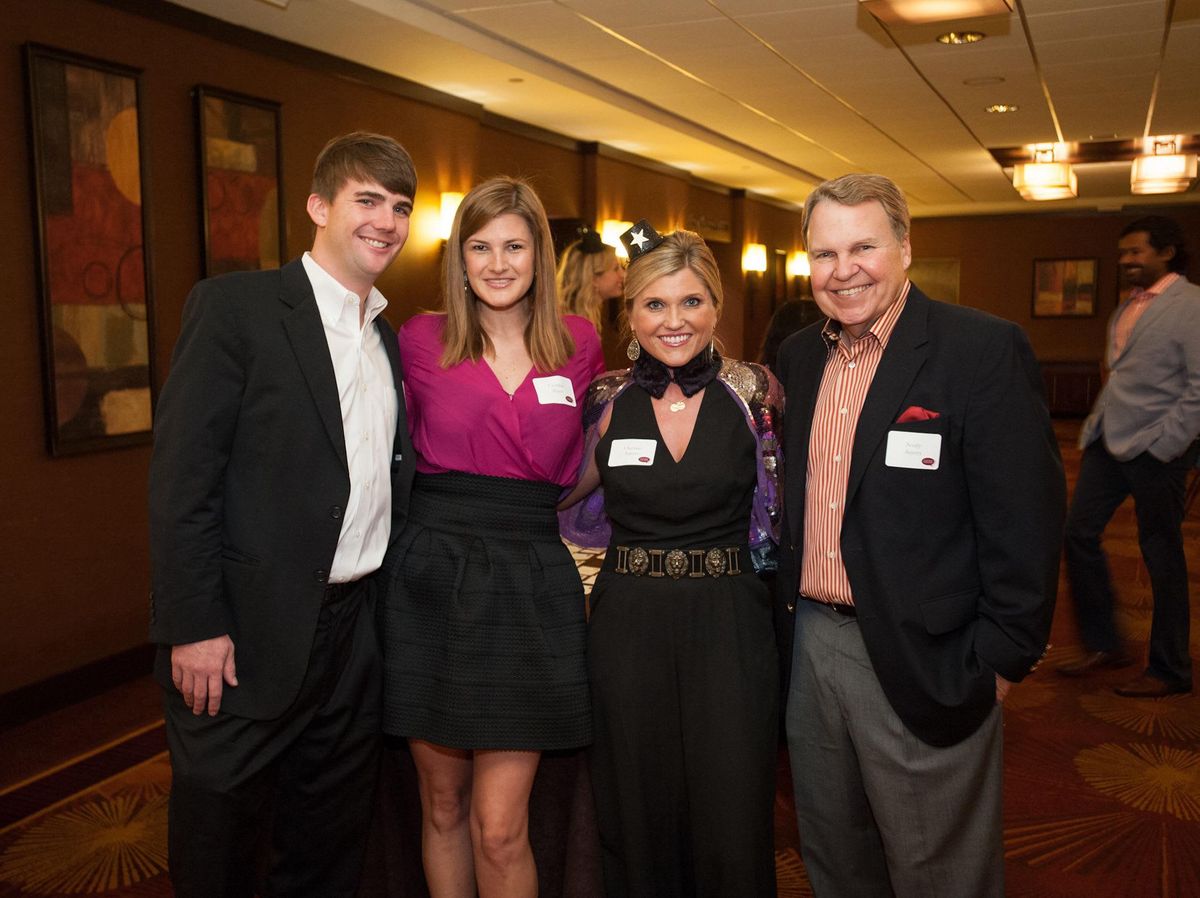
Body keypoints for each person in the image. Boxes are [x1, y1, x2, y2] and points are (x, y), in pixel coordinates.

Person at [775, 173, 1064, 897]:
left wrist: (1001, 659)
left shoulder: (979, 349)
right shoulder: (800, 357)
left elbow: (1026, 519)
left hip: (929, 653)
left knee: (939, 873)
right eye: (824, 254)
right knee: (835, 855)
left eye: (863, 247)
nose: (843, 271)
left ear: (905, 247)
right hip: (809, 645)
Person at [148, 131, 417, 897]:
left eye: (401, 207)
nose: (387, 221)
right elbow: (182, 482)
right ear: (319, 206)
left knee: (326, 843)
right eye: (368, 200)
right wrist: (194, 624)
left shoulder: (386, 339)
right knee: (220, 844)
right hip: (242, 634)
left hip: (353, 636)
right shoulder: (236, 310)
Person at [379, 176, 603, 898]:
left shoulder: (579, 342)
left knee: (501, 826)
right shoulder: (419, 338)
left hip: (530, 577)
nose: (498, 263)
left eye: (514, 246)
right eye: (480, 247)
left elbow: (594, 458)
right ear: (459, 257)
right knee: (442, 804)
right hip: (433, 572)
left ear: (540, 255)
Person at [559, 221, 783, 898]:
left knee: (733, 806)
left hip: (731, 624)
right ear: (629, 313)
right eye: (655, 303)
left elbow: (794, 505)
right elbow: (557, 496)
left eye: (691, 301)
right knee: (636, 802)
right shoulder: (605, 400)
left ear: (716, 307)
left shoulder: (755, 393)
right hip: (629, 624)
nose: (674, 320)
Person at [1057, 215, 1200, 696]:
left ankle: (1170, 669)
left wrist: (1166, 444)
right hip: (1108, 443)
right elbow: (1118, 374)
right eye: (1123, 253)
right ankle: (1105, 643)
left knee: (1161, 555)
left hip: (1157, 449)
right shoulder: (1127, 307)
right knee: (1077, 534)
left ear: (1167, 252)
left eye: (1136, 251)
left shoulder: (1192, 305)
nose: (1126, 260)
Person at [556, 227, 624, 331]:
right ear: (594, 278)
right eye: (616, 269)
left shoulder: (576, 318)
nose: (623, 274)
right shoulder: (577, 326)